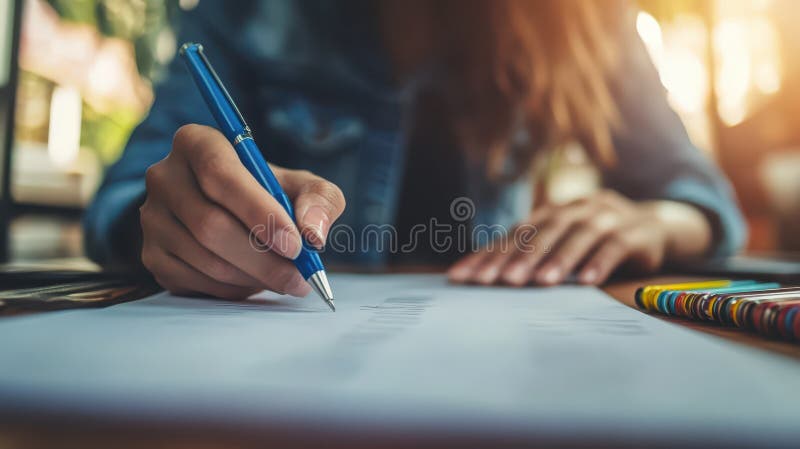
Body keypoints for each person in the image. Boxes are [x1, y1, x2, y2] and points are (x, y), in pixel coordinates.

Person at [84, 0, 746, 299]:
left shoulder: (587, 16)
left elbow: (704, 199)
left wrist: (655, 220)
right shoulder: (248, 12)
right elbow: (118, 202)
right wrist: (171, 216)